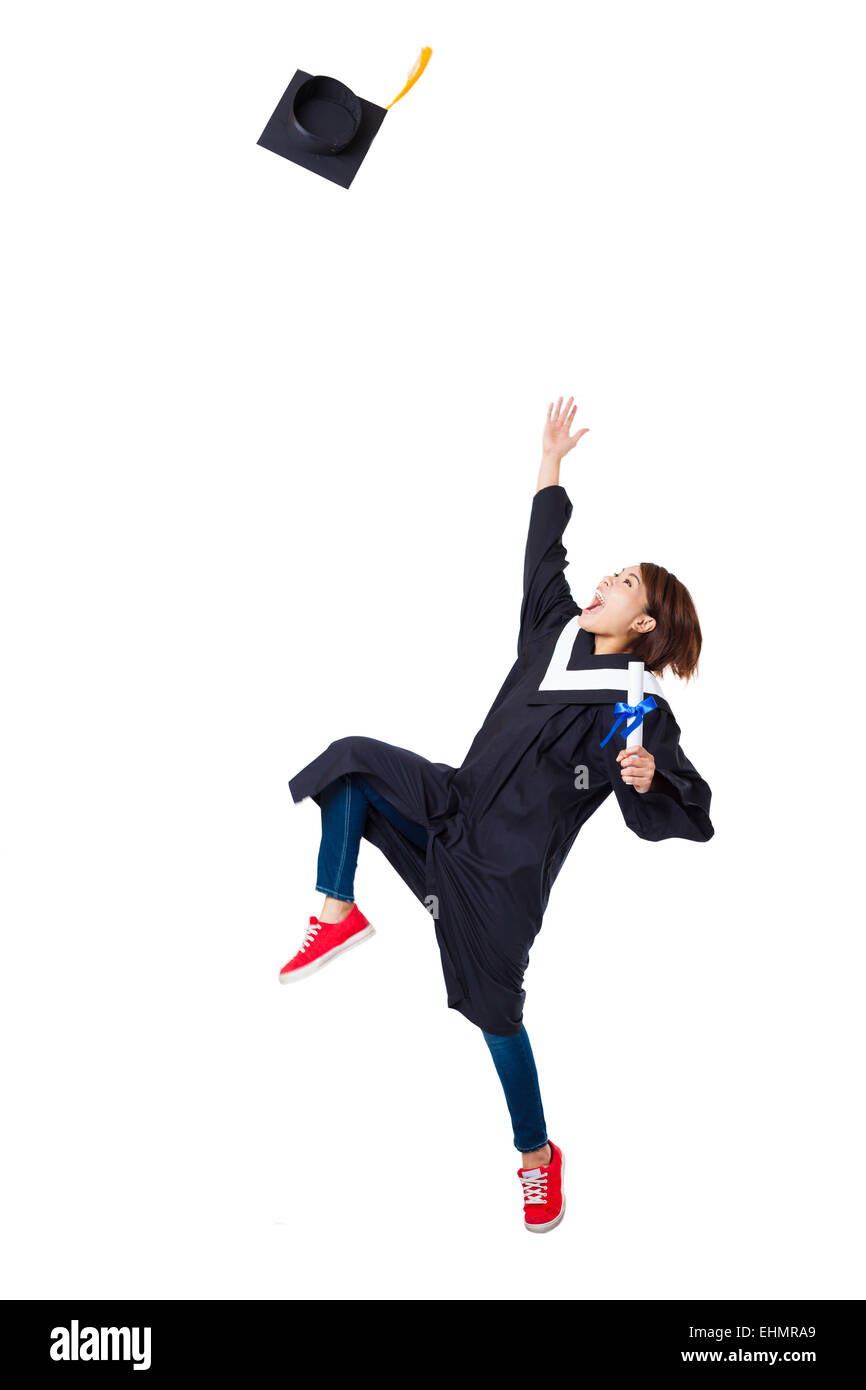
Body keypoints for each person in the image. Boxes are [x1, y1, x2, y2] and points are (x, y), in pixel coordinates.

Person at [281, 395, 714, 1233]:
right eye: (608, 574)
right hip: (453, 802)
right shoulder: (552, 631)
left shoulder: (631, 704)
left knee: (497, 1016)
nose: (602, 582)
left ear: (647, 622)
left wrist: (648, 774)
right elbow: (542, 558)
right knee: (352, 763)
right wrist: (551, 463)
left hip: (502, 877)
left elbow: (684, 810)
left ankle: (535, 1155)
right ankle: (336, 907)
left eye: (621, 584)